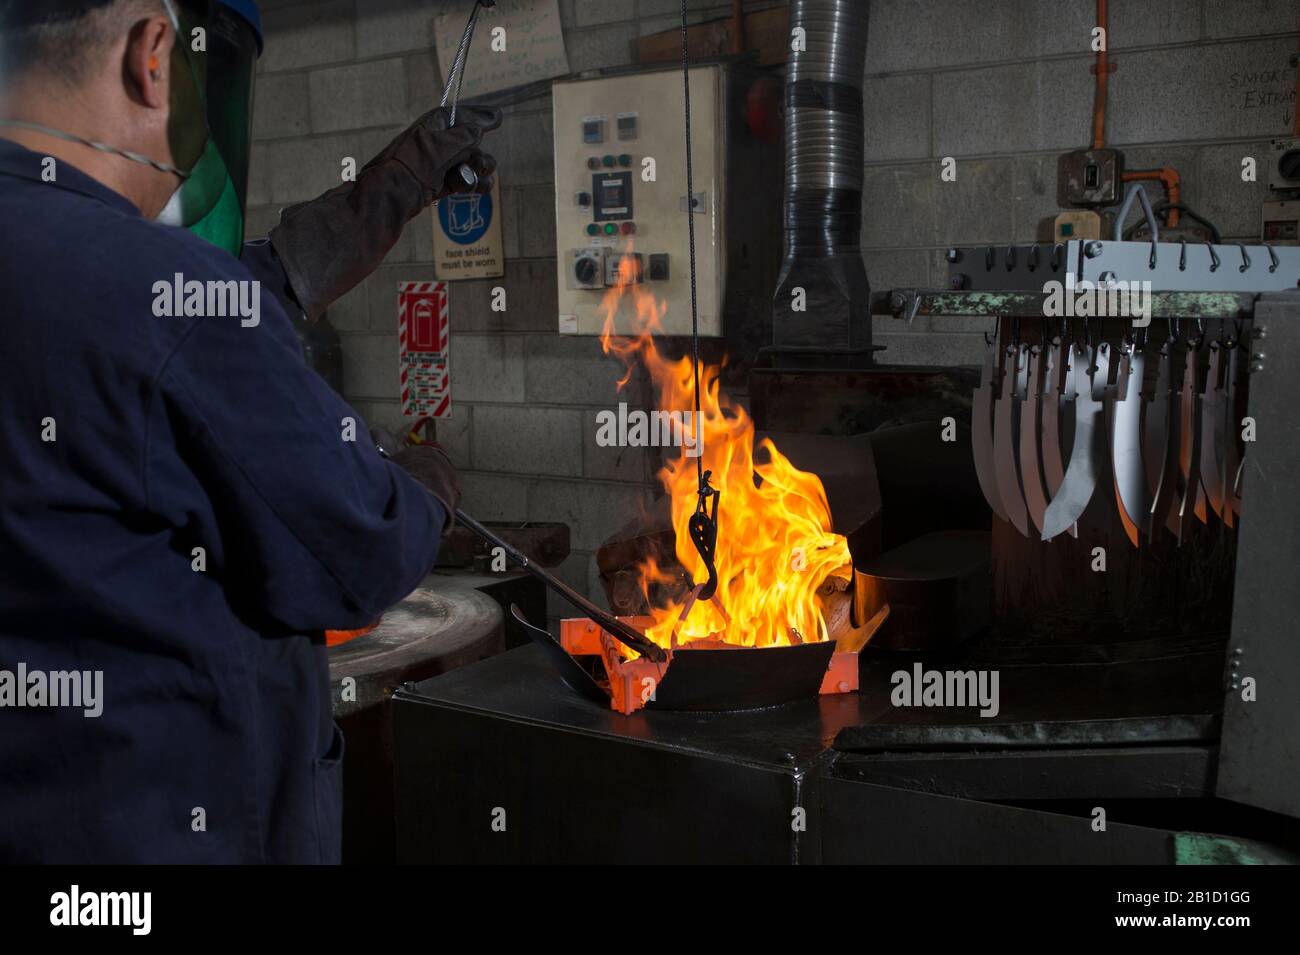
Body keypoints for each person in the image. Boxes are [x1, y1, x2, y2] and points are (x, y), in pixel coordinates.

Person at [0, 0, 495, 863]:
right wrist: (420, 486)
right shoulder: (161, 289)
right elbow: (362, 547)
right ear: (153, 53)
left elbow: (141, 314)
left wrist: (386, 193)